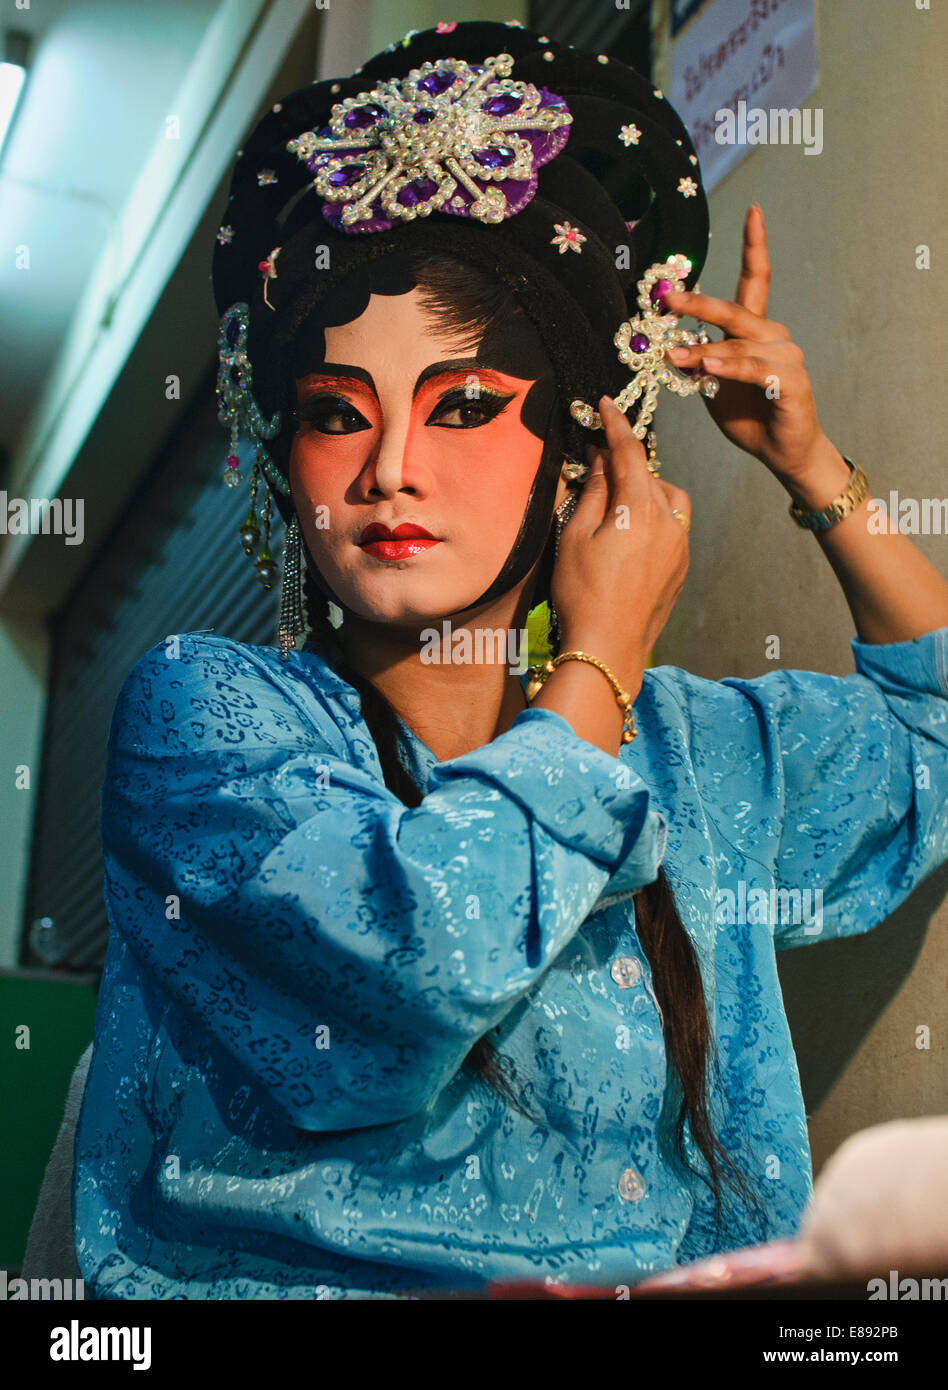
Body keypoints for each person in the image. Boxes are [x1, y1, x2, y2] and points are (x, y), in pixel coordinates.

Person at [71, 21, 948, 1299]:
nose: (388, 472)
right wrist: (600, 653)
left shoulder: (696, 758)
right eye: (334, 415)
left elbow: (934, 736)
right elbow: (409, 973)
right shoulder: (211, 719)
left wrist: (815, 473)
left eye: (464, 405)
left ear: (582, 451)